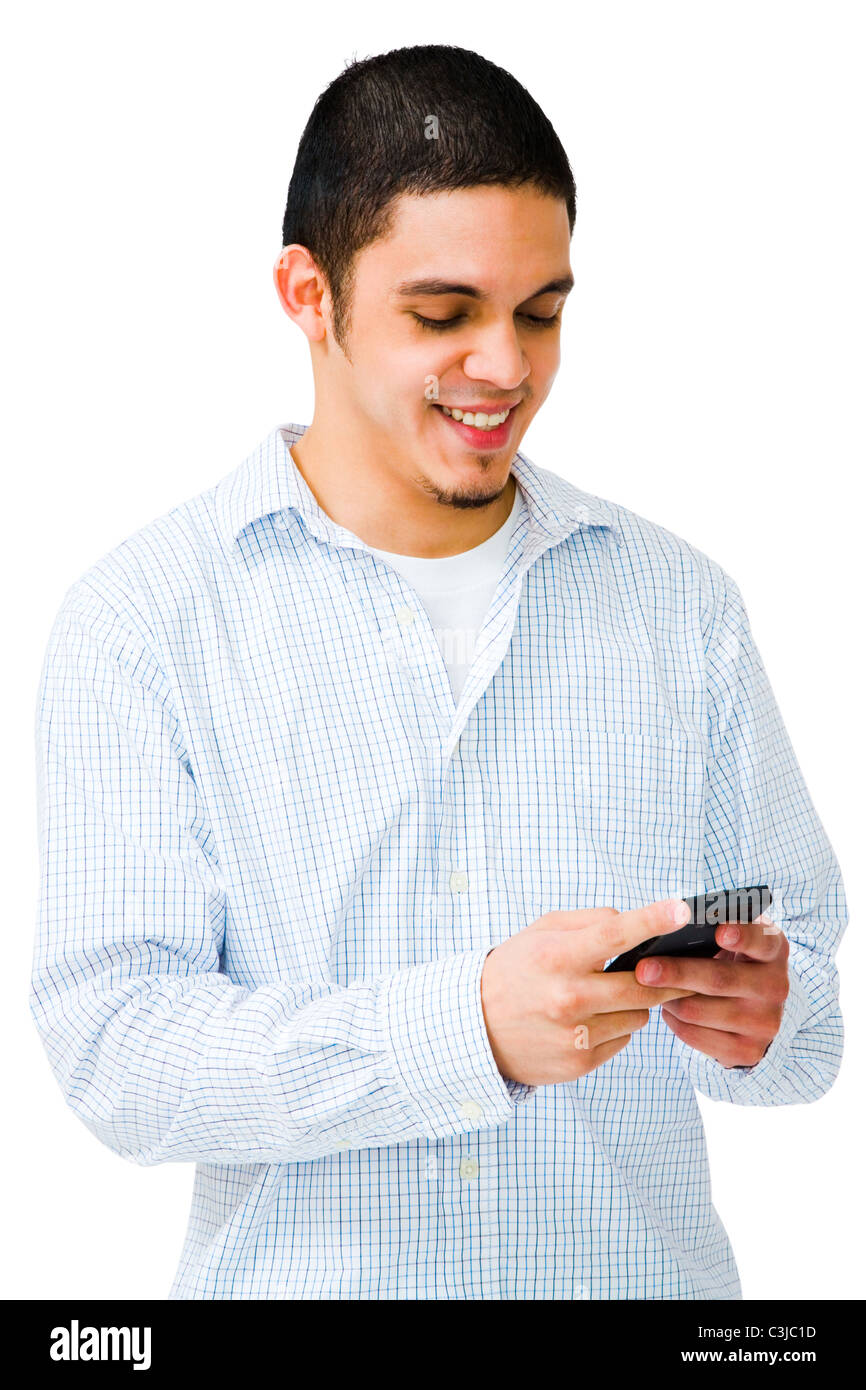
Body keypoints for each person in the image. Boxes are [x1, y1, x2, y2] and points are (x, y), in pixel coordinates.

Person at [30, 44, 847, 1301]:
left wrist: (758, 1020)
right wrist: (459, 1031)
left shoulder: (680, 606)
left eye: (540, 310)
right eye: (441, 313)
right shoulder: (145, 619)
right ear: (309, 294)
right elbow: (118, 1056)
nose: (507, 368)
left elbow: (808, 1022)